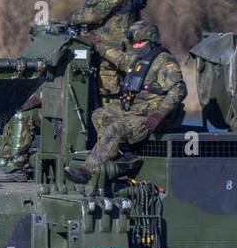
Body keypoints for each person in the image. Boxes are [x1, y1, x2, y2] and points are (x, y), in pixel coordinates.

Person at [65, 20, 186, 183]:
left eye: (140, 43)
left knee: (117, 128)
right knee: (100, 115)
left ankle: (87, 171)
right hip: (135, 112)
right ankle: (122, 154)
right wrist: (97, 44)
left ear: (150, 41)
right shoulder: (140, 60)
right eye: (134, 44)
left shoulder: (165, 62)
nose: (136, 47)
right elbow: (120, 59)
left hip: (152, 118)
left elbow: (178, 90)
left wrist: (159, 114)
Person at [68, 0, 146, 98]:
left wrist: (74, 17)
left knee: (107, 96)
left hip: (110, 49)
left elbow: (94, 15)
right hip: (115, 47)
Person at [0, 88, 41, 181]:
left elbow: (46, 94)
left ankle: (16, 167)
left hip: (54, 111)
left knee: (21, 116)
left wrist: (31, 102)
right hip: (46, 107)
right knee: (13, 113)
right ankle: (5, 160)